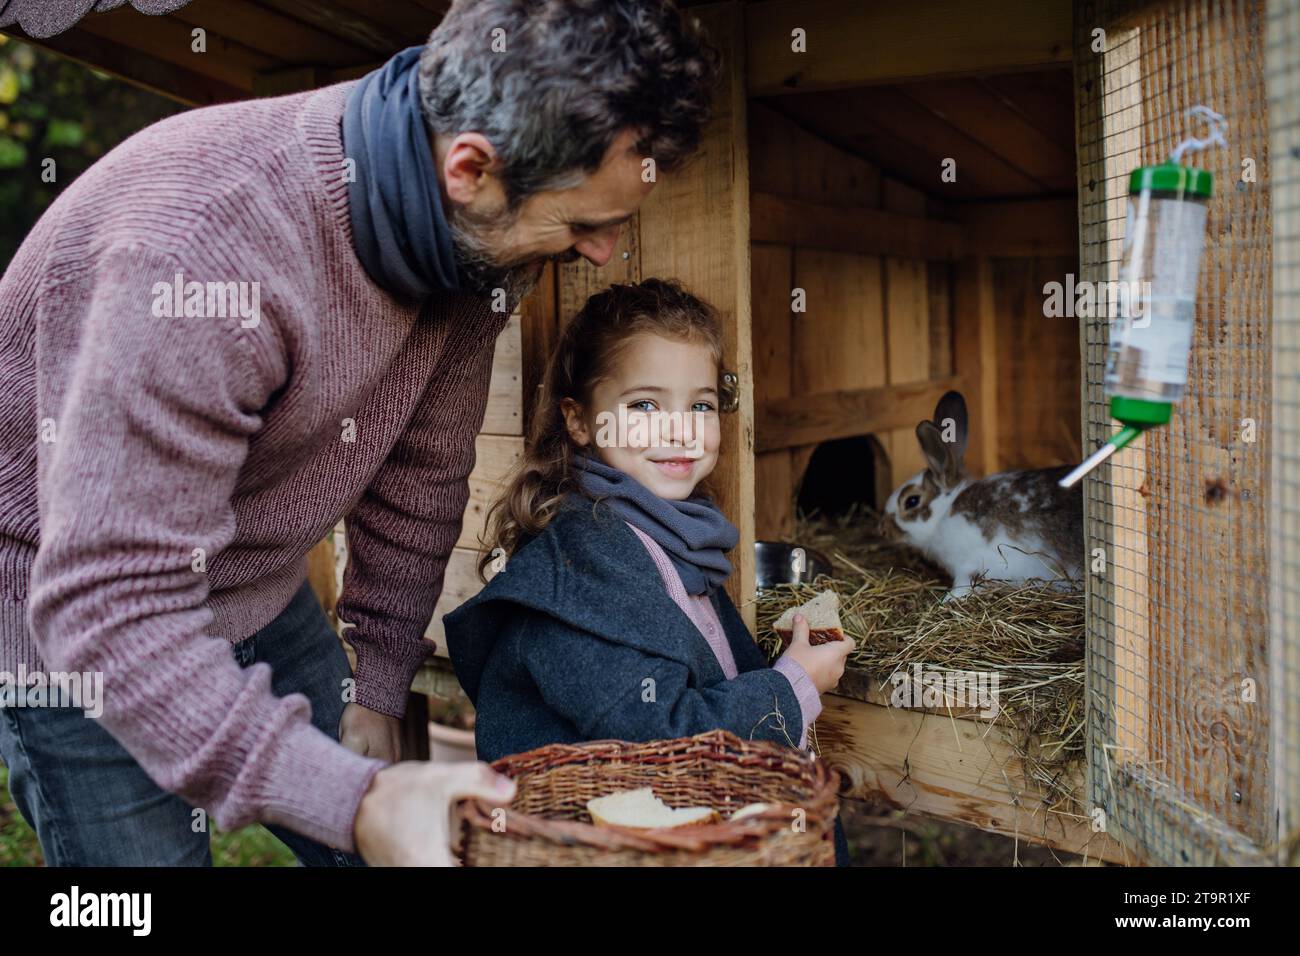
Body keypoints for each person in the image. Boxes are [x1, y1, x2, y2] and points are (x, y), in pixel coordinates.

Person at [0, 0, 718, 866]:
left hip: (259, 581)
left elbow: (423, 475)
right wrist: (351, 797)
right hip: (78, 623)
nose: (603, 253)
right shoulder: (198, 255)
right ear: (471, 168)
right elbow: (110, 604)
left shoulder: (477, 247)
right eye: (584, 224)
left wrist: (376, 683)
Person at [444, 279, 855, 864]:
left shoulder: (668, 535)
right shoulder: (584, 565)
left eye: (701, 404)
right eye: (644, 405)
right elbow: (657, 739)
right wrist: (793, 686)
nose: (680, 429)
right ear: (580, 422)